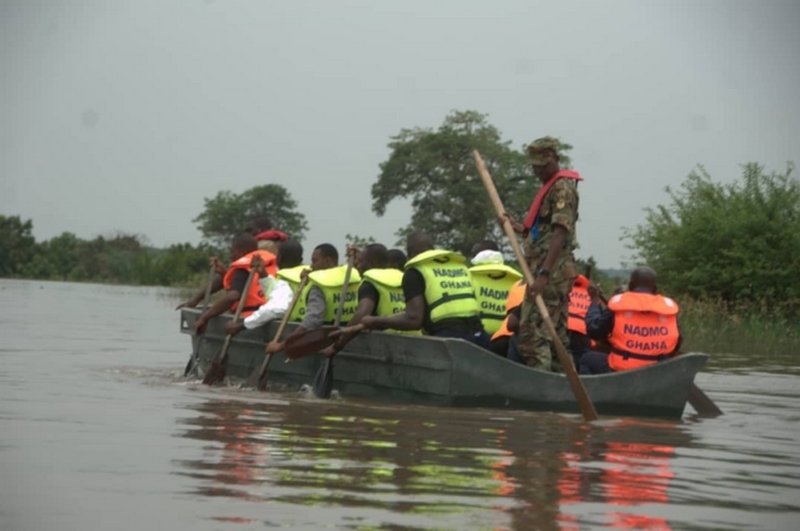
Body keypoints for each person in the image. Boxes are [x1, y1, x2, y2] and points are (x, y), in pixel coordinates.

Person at [501, 136, 582, 372]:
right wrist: (518, 228)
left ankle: (541, 381)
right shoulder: (550, 187)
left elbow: (560, 233)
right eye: (535, 167)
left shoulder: (563, 188)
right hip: (545, 270)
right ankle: (562, 379)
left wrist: (544, 274)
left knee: (532, 334)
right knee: (555, 334)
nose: (539, 171)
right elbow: (544, 231)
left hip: (552, 273)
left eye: (544, 166)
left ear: (556, 159)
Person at [360, 230, 489, 347]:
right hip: (479, 336)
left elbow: (414, 319)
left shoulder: (415, 272)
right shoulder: (460, 266)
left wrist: (375, 321)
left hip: (449, 339)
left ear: (409, 253)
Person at [579, 267, 682, 374]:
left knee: (587, 359)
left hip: (622, 370)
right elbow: (677, 343)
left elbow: (594, 330)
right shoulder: (668, 310)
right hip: (657, 371)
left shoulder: (618, 306)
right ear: (655, 289)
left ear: (630, 286)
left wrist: (594, 302)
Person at [266, 243, 361, 353]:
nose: (311, 266)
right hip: (350, 340)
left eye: (314, 261)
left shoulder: (319, 284)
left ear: (327, 261)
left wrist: (282, 345)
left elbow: (313, 321)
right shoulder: (351, 276)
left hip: (325, 344)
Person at [194, 233, 278, 334]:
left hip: (249, 319)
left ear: (243, 253)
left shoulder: (244, 267)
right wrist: (224, 273)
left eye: (232, 251)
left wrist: (204, 318)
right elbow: (247, 285)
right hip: (272, 317)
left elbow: (232, 296)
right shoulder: (273, 265)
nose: (230, 256)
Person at [224, 240, 303, 336]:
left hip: (290, 332)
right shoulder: (305, 276)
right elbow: (275, 289)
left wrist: (240, 326)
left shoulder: (285, 280)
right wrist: (263, 274)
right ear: (301, 260)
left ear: (279, 258)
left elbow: (275, 309)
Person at [469, 240, 523, 339]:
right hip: (508, 336)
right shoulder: (516, 278)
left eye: (473, 255)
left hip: (478, 336)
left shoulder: (470, 276)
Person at [489, 279, 526, 359]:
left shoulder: (518, 284)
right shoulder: (537, 290)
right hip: (509, 340)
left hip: (498, 338)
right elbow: (512, 323)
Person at [567, 274, 592, 367]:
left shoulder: (566, 291)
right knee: (580, 362)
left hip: (564, 328)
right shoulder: (591, 296)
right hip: (581, 333)